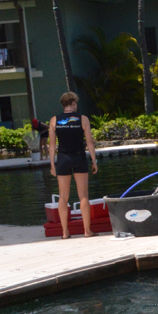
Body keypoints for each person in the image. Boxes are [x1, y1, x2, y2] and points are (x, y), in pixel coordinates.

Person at [48, 92, 98, 238]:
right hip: (79, 157)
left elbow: (52, 145)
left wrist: (52, 164)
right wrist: (94, 160)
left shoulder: (53, 120)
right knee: (83, 196)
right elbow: (89, 142)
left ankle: (64, 232)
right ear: (74, 103)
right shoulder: (83, 119)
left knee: (63, 197)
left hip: (63, 158)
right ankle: (87, 230)